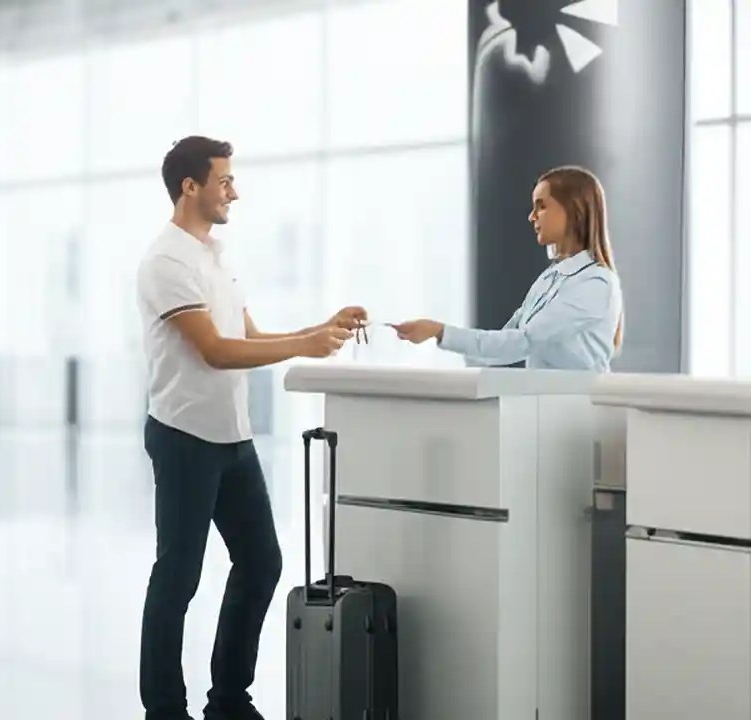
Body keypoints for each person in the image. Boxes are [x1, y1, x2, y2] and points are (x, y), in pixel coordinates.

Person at [136, 135, 366, 720]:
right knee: (178, 577)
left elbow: (249, 336)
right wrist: (306, 345)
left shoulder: (215, 256)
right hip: (185, 434)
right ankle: (164, 709)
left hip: (230, 436)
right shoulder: (166, 260)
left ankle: (230, 699)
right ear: (191, 186)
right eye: (224, 180)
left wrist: (320, 330)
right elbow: (214, 351)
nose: (233, 191)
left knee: (262, 560)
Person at [391, 165, 624, 371]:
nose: (532, 217)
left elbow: (523, 342)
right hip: (546, 406)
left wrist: (440, 331)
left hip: (581, 410)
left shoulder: (596, 283)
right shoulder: (549, 278)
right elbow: (503, 343)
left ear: (574, 210)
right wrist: (440, 338)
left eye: (541, 206)